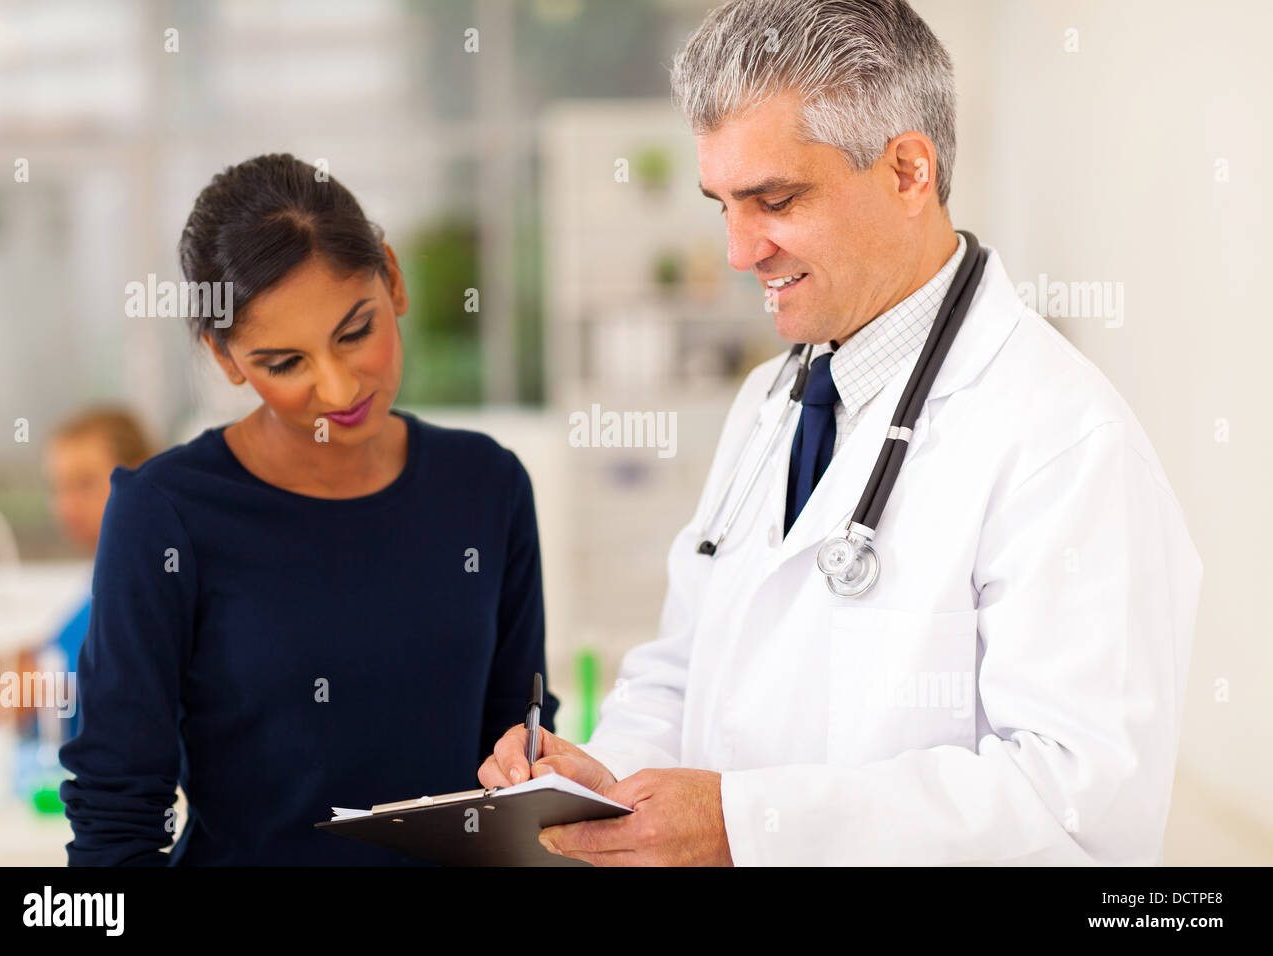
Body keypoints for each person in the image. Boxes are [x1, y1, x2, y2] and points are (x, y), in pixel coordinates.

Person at [479, 0, 1202, 865]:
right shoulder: (768, 402)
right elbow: (679, 668)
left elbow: (1080, 813)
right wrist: (604, 781)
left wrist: (750, 824)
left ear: (906, 171)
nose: (742, 252)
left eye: (774, 200)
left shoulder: (1064, 440)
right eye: (722, 207)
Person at [60, 153, 557, 865]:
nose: (337, 387)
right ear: (226, 357)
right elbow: (115, 811)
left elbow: (516, 745)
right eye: (284, 363)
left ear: (392, 276)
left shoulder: (488, 485)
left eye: (355, 332)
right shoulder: (164, 514)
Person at [43, 407, 155, 741]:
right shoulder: (106, 574)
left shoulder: (149, 579)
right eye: (58, 488)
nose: (67, 507)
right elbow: (44, 657)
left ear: (143, 473)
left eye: (85, 484)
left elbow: (40, 689)